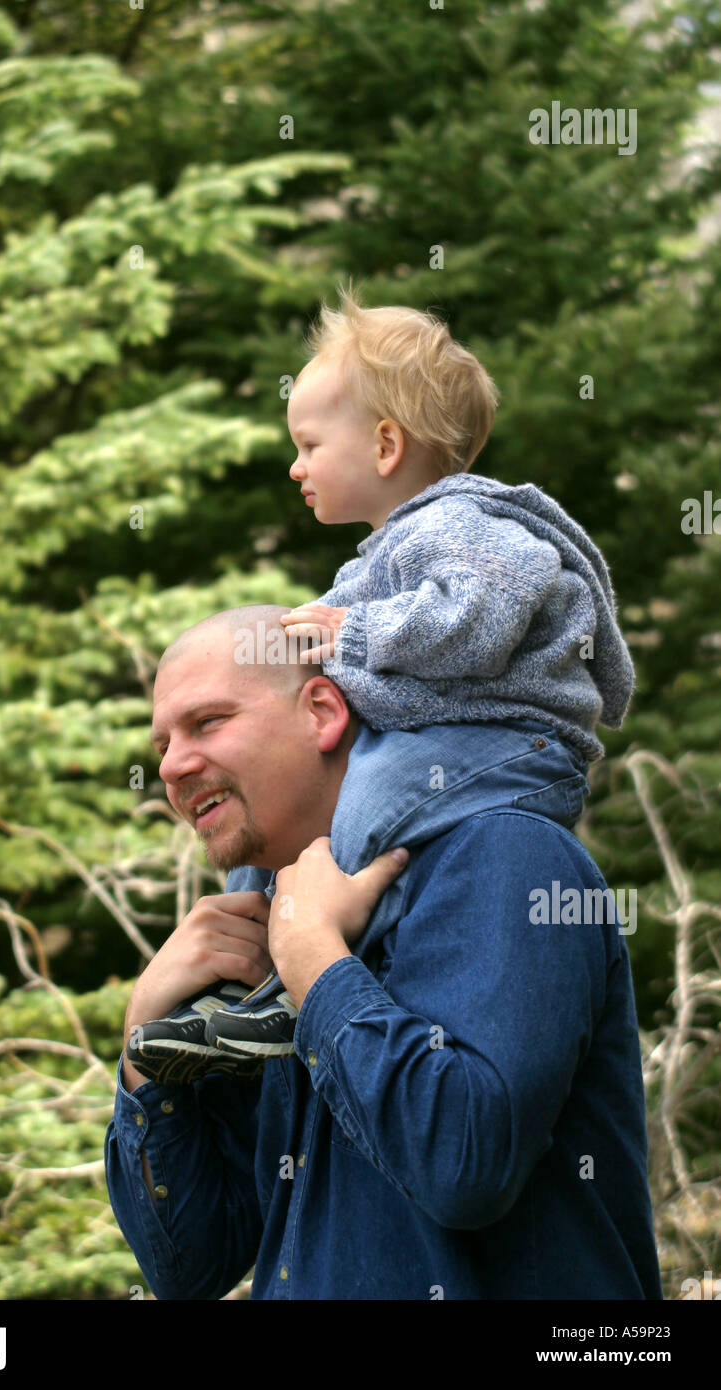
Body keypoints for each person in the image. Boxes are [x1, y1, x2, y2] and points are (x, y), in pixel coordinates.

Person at [129, 285, 634, 1076]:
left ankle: (299, 983)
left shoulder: (461, 523)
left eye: (307, 444)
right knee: (278, 844)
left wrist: (353, 634)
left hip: (505, 741)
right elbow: (317, 641)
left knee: (351, 824)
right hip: (457, 734)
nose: (294, 466)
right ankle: (248, 990)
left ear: (387, 446)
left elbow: (484, 613)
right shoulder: (383, 552)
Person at [104, 608, 663, 1299]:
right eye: (161, 745)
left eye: (206, 723)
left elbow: (465, 1168)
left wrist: (317, 967)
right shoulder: (271, 927)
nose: (170, 765)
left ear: (321, 712)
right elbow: (191, 1268)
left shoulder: (508, 857)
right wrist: (143, 1055)